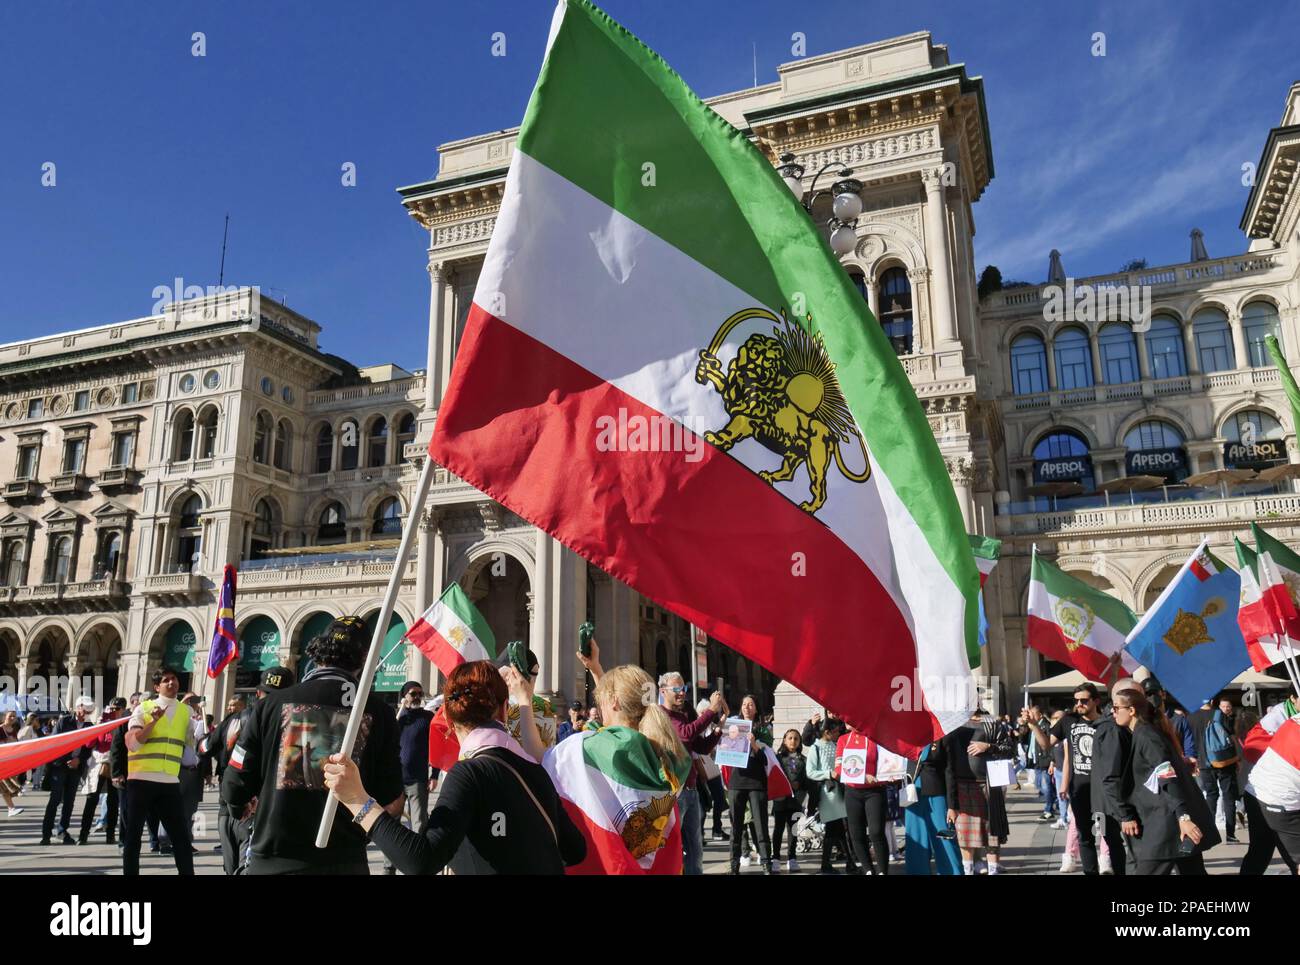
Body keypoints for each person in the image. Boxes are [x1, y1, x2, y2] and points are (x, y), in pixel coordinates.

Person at [324, 660, 586, 874]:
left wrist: (358, 801)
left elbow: (421, 860)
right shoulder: (534, 769)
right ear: (505, 711)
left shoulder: (470, 773)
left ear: (447, 719)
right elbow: (575, 849)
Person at [221, 616, 404, 874]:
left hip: (275, 858)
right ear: (365, 658)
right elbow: (390, 794)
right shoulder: (380, 713)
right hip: (344, 861)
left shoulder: (271, 705)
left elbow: (235, 781)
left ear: (318, 652)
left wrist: (239, 806)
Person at [1114, 689, 1218, 874]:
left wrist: (1183, 817)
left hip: (1167, 822)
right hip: (1167, 818)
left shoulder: (1146, 735)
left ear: (1131, 710)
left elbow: (1166, 776)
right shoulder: (1144, 733)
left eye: (1115, 708)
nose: (1112, 712)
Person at [122, 670, 196, 874]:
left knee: (181, 837)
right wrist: (153, 722)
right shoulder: (142, 709)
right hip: (141, 780)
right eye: (166, 680)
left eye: (174, 679)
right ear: (156, 687)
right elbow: (133, 744)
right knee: (133, 837)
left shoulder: (185, 712)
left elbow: (190, 748)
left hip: (169, 782)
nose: (171, 682)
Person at [657, 669, 724, 875]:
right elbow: (685, 735)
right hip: (674, 792)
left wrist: (717, 731)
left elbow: (700, 747)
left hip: (691, 788)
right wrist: (710, 711)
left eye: (683, 688)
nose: (682, 693)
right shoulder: (662, 714)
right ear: (663, 691)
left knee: (695, 848)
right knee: (673, 847)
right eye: (676, 689)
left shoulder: (684, 713)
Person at [1051, 683, 1119, 875]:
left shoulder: (1107, 722)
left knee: (1108, 833)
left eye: (1083, 700)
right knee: (1084, 836)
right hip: (1080, 791)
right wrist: (1031, 724)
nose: (1079, 704)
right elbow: (1047, 743)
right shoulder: (1069, 721)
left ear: (1096, 701)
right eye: (1076, 701)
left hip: (1103, 792)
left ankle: (1107, 862)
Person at [1088, 677, 1144, 877]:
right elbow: (1111, 775)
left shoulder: (1112, 727)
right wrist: (1125, 813)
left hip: (1108, 805)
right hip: (1113, 807)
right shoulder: (1114, 730)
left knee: (1119, 850)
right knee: (1126, 852)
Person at [1240, 693, 1300, 874]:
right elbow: (1252, 748)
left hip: (1260, 791)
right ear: (1293, 698)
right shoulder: (1280, 717)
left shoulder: (1292, 720)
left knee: (1261, 851)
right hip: (1275, 798)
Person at [384, 680, 434, 875]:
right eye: (413, 694)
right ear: (404, 696)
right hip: (395, 781)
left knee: (419, 825)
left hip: (418, 780)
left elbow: (435, 746)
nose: (417, 698)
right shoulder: (397, 719)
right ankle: (389, 868)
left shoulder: (427, 717)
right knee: (392, 827)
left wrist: (435, 773)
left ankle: (416, 866)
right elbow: (389, 739)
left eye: (420, 694)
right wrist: (401, 712)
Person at [836, 723, 896, 875]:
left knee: (876, 831)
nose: (847, 722)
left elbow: (888, 764)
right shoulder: (843, 740)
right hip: (852, 791)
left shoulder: (876, 738)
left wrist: (891, 774)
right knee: (856, 833)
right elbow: (839, 769)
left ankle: (883, 871)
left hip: (874, 791)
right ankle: (868, 869)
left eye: (851, 718)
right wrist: (862, 777)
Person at [723, 694, 774, 874]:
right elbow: (725, 754)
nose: (747, 707)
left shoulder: (764, 730)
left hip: (757, 782)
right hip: (737, 781)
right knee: (736, 827)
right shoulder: (733, 727)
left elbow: (766, 760)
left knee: (760, 825)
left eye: (751, 704)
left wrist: (753, 744)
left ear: (756, 708)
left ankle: (767, 864)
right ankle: (734, 865)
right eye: (744, 704)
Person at [40, 696, 95, 846]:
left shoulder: (90, 725)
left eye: (89, 710)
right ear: (78, 707)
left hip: (76, 768)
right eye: (85, 709)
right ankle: (46, 833)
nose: (86, 713)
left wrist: (80, 760)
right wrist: (67, 760)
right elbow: (55, 742)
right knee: (55, 800)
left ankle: (63, 831)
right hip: (60, 766)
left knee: (69, 802)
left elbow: (88, 747)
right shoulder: (64, 721)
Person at [904, 738, 960, 875]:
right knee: (916, 838)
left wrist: (952, 806)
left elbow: (950, 771)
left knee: (944, 837)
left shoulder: (943, 736)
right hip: (912, 793)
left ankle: (952, 872)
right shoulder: (906, 733)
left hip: (937, 794)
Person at [805, 716, 852, 874]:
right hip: (825, 793)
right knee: (835, 827)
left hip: (839, 791)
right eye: (835, 731)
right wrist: (828, 773)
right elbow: (810, 772)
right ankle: (845, 862)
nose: (838, 733)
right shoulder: (815, 748)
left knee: (837, 829)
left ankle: (836, 863)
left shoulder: (835, 744)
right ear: (826, 732)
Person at [77, 698, 126, 844]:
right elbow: (89, 743)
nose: (114, 711)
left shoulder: (124, 724)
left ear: (123, 709)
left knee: (113, 801)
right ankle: (83, 834)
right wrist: (98, 726)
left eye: (117, 708)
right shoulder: (102, 722)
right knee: (92, 799)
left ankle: (110, 834)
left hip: (114, 764)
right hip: (98, 763)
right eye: (111, 708)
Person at [1203, 696, 1241, 843]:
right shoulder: (1219, 716)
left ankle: (1209, 833)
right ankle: (1230, 835)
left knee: (1210, 797)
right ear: (1213, 702)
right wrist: (1238, 758)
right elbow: (1231, 738)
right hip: (1224, 761)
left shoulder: (1191, 717)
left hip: (1204, 764)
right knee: (1228, 797)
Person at [771, 729, 807, 871]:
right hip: (780, 799)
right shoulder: (777, 758)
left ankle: (792, 858)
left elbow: (806, 779)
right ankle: (776, 859)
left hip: (796, 801)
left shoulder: (803, 760)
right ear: (784, 740)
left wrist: (800, 785)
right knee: (778, 829)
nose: (793, 741)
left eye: (796, 739)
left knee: (793, 829)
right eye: (790, 738)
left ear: (799, 742)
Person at [694, 699, 728, 841]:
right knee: (701, 804)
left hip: (712, 769)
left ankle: (717, 829)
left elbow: (717, 741)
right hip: (699, 770)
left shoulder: (712, 727)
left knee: (719, 799)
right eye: (705, 712)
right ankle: (699, 834)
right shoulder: (696, 727)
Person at [1018, 705, 1055, 820]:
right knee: (1039, 785)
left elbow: (1050, 745)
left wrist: (1052, 762)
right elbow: (1022, 738)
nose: (1030, 716)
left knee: (1046, 786)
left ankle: (1049, 809)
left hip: (1045, 760)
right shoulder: (1031, 725)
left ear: (1039, 714)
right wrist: (1023, 725)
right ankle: (1056, 801)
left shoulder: (1045, 725)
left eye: (1033, 713)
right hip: (1035, 760)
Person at [0, 710, 23, 816]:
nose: (13, 718)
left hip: (10, 761)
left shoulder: (14, 730)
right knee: (4, 786)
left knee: (5, 787)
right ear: (5, 717)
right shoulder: (0, 729)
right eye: (10, 716)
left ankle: (11, 808)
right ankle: (11, 808)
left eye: (14, 716)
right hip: (2, 762)